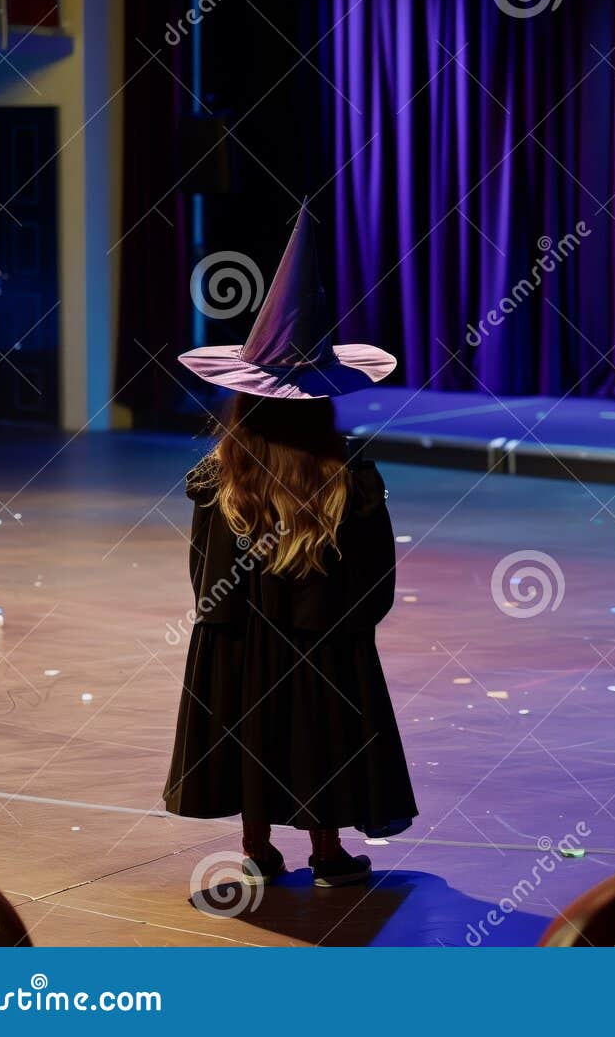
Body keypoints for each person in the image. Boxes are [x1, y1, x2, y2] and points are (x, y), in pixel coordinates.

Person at [164, 202, 416, 887]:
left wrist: (227, 626)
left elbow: (205, 575)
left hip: (241, 645)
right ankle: (327, 853)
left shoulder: (221, 478)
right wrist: (346, 630)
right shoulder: (350, 482)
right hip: (323, 645)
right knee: (319, 734)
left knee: (255, 732)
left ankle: (257, 846)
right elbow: (374, 579)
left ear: (244, 401)